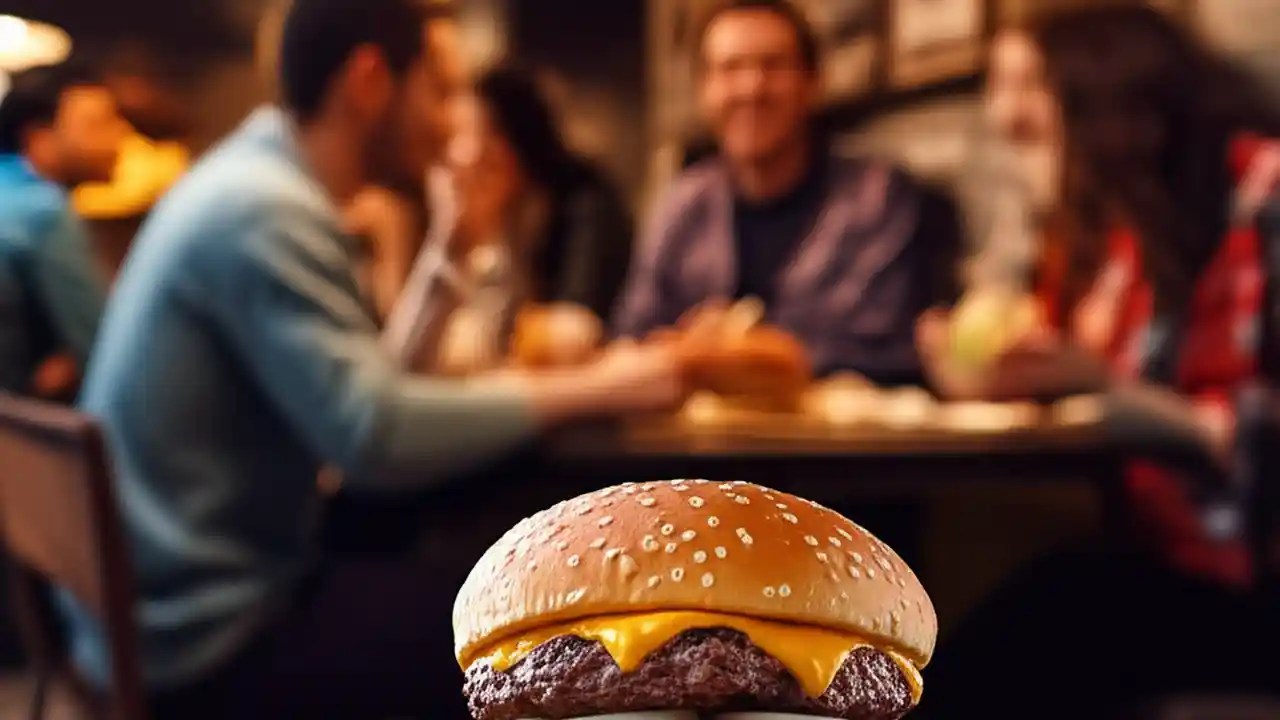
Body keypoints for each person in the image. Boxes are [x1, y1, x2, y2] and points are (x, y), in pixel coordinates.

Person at [58, 1, 684, 718]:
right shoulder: (259, 210)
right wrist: (597, 387)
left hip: (170, 611)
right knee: (542, 635)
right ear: (368, 81)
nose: (450, 121)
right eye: (439, 89)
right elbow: (371, 438)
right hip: (207, 642)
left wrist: (447, 255)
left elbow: (367, 394)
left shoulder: (257, 184)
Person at [917, 7, 1280, 717]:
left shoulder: (1264, 192)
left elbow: (1241, 436)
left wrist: (1108, 389)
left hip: (1247, 579)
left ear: (1108, 106)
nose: (1013, 121)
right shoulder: (1126, 238)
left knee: (1036, 624)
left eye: (1039, 95)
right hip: (1158, 554)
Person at [614, 0, 960, 385]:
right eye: (730, 69)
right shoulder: (682, 204)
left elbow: (887, 346)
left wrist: (734, 352)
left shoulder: (876, 197)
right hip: (696, 441)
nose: (752, 87)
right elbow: (632, 335)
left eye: (773, 65)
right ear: (704, 91)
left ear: (813, 84)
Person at [382, 64, 632, 375]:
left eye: (467, 134)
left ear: (510, 146)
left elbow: (574, 333)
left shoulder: (583, 206)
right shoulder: (467, 217)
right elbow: (404, 360)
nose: (456, 155)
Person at [0, 63, 127, 396]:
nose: (120, 135)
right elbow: (104, 348)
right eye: (99, 125)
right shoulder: (42, 209)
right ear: (38, 137)